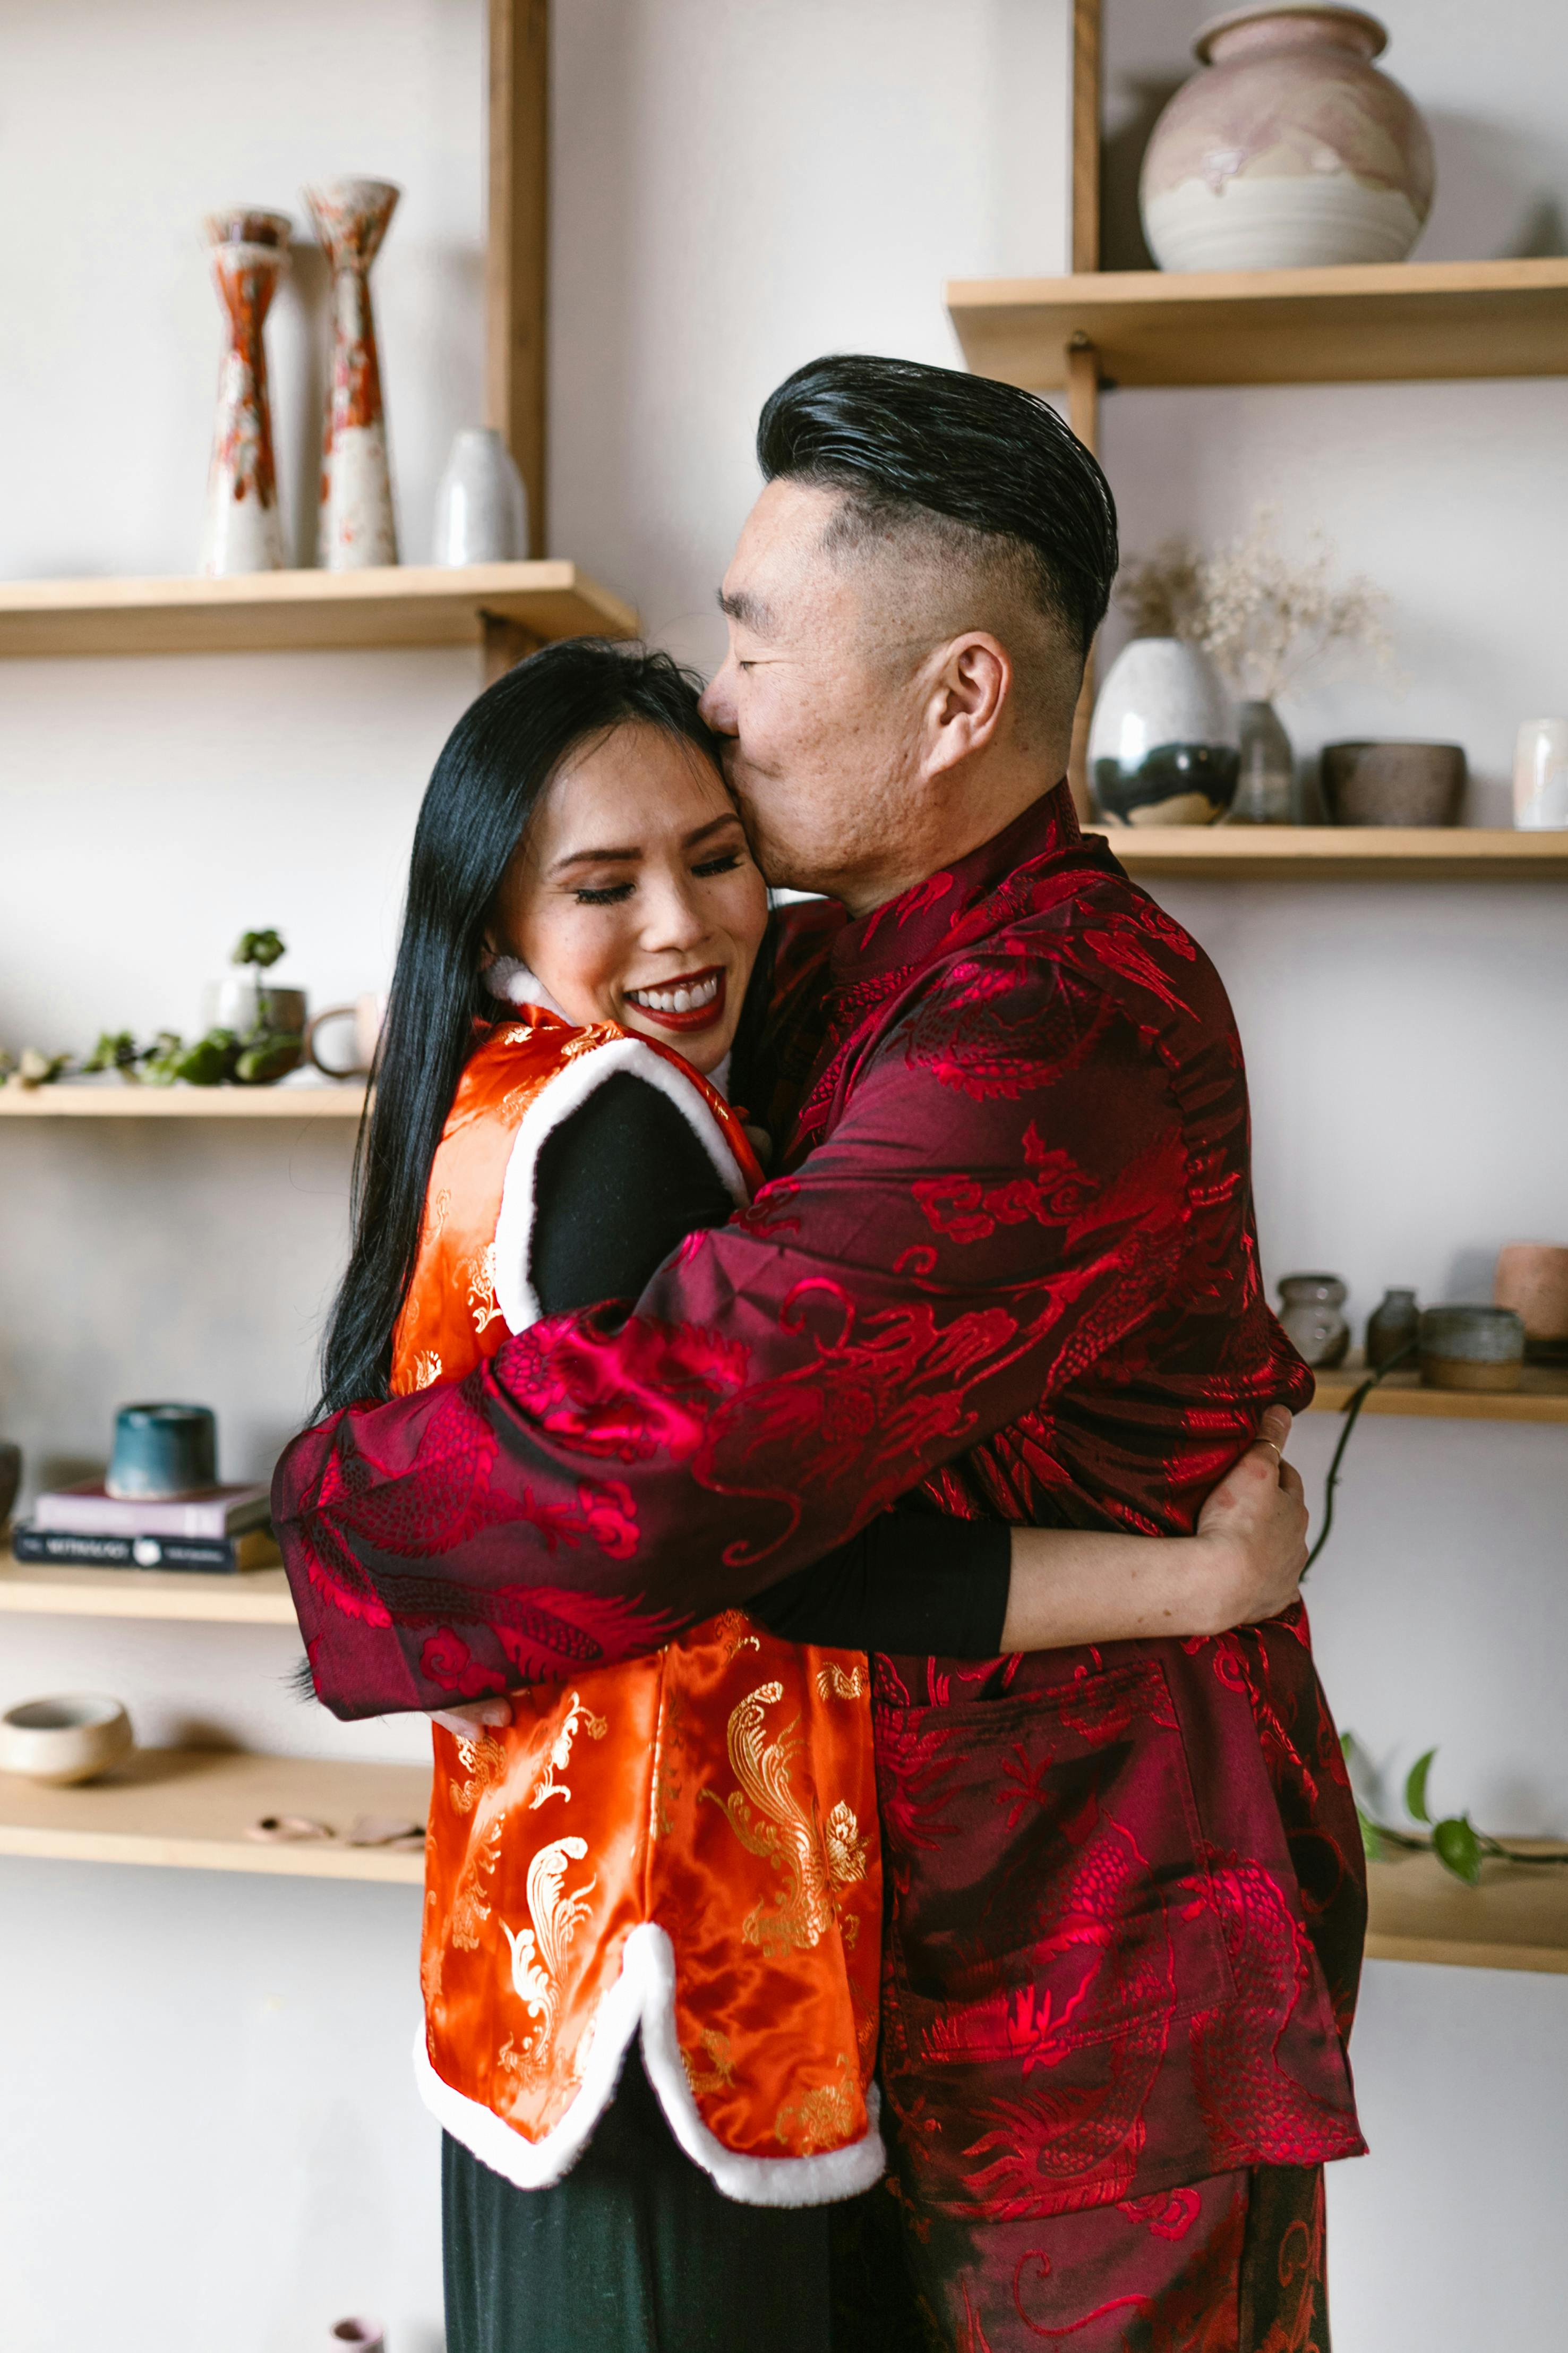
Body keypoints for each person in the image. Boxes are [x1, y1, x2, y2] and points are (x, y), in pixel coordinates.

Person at [276, 355, 1366, 2350]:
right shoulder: (828, 957)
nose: (715, 692)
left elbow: (697, 1435)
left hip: (1092, 1942)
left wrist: (335, 1519)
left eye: (755, 636)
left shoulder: (1062, 1024)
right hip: (845, 1924)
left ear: (959, 699)